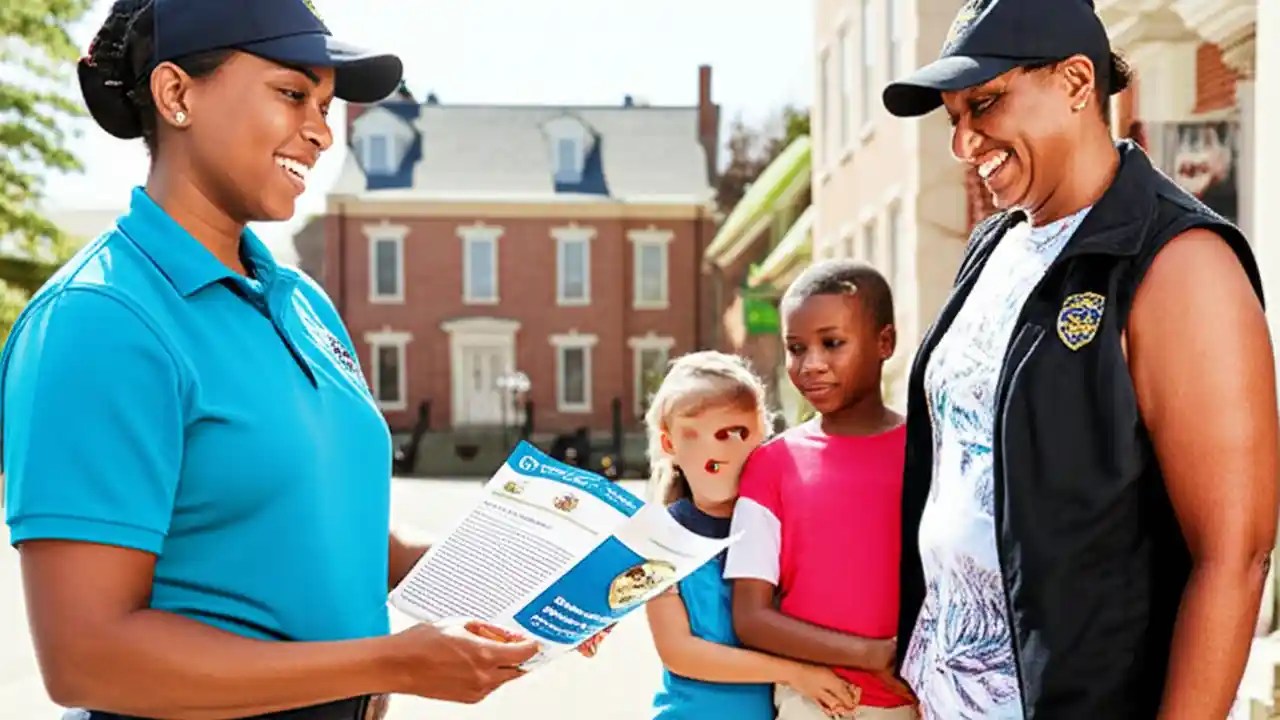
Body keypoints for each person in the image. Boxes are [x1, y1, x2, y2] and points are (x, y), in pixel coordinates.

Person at [0, 1, 557, 718]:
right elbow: (88, 659)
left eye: (325, 105)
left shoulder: (300, 301)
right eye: (293, 94)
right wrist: (393, 661)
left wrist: (534, 581)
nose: (323, 132)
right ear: (177, 95)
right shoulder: (99, 320)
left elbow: (340, 533)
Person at [881, 0, 1278, 717]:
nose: (964, 143)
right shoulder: (995, 245)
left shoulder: (1179, 263)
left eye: (986, 104)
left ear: (1073, 82)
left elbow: (1235, 557)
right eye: (954, 118)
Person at [727, 262, 918, 720]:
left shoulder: (929, 455)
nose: (811, 364)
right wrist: (874, 656)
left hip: (914, 702)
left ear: (884, 342)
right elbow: (750, 618)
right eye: (796, 348)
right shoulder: (770, 466)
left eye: (832, 343)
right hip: (811, 702)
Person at [644, 351, 862, 720]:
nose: (715, 450)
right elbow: (679, 653)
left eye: (731, 433)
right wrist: (796, 673)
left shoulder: (785, 522)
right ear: (669, 444)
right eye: (693, 434)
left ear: (762, 431)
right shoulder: (660, 538)